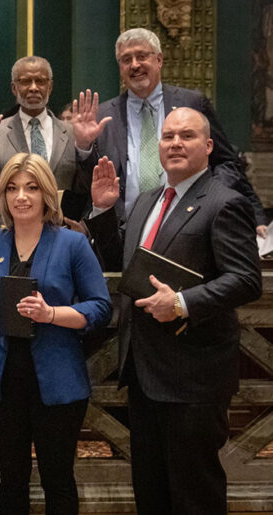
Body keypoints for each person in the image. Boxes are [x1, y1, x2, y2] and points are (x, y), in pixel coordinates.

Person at [86, 108, 261, 514]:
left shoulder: (225, 202)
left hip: (194, 376)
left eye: (187, 136)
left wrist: (182, 304)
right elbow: (127, 269)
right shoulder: (148, 199)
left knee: (193, 495)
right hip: (144, 372)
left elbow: (247, 279)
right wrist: (103, 212)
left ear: (209, 146)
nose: (176, 144)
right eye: (168, 137)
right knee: (152, 493)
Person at [0, 153, 111, 514]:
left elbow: (100, 308)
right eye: (12, 188)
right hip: (4, 380)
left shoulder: (72, 243)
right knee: (11, 480)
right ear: (3, 196)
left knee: (58, 478)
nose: (21, 196)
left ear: (46, 195)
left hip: (57, 380)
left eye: (31, 188)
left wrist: (51, 313)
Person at [91, 28, 267, 236]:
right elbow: (89, 179)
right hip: (125, 233)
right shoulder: (103, 114)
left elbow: (227, 163)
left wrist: (205, 195)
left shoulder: (192, 102)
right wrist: (83, 147)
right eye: (126, 59)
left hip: (189, 229)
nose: (135, 65)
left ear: (159, 60)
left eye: (141, 56)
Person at [0, 56, 99, 219]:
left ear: (50, 87)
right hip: (9, 232)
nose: (33, 88)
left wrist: (84, 147)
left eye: (40, 81)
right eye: (25, 81)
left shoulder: (72, 133)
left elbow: (85, 190)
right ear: (14, 88)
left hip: (60, 233)